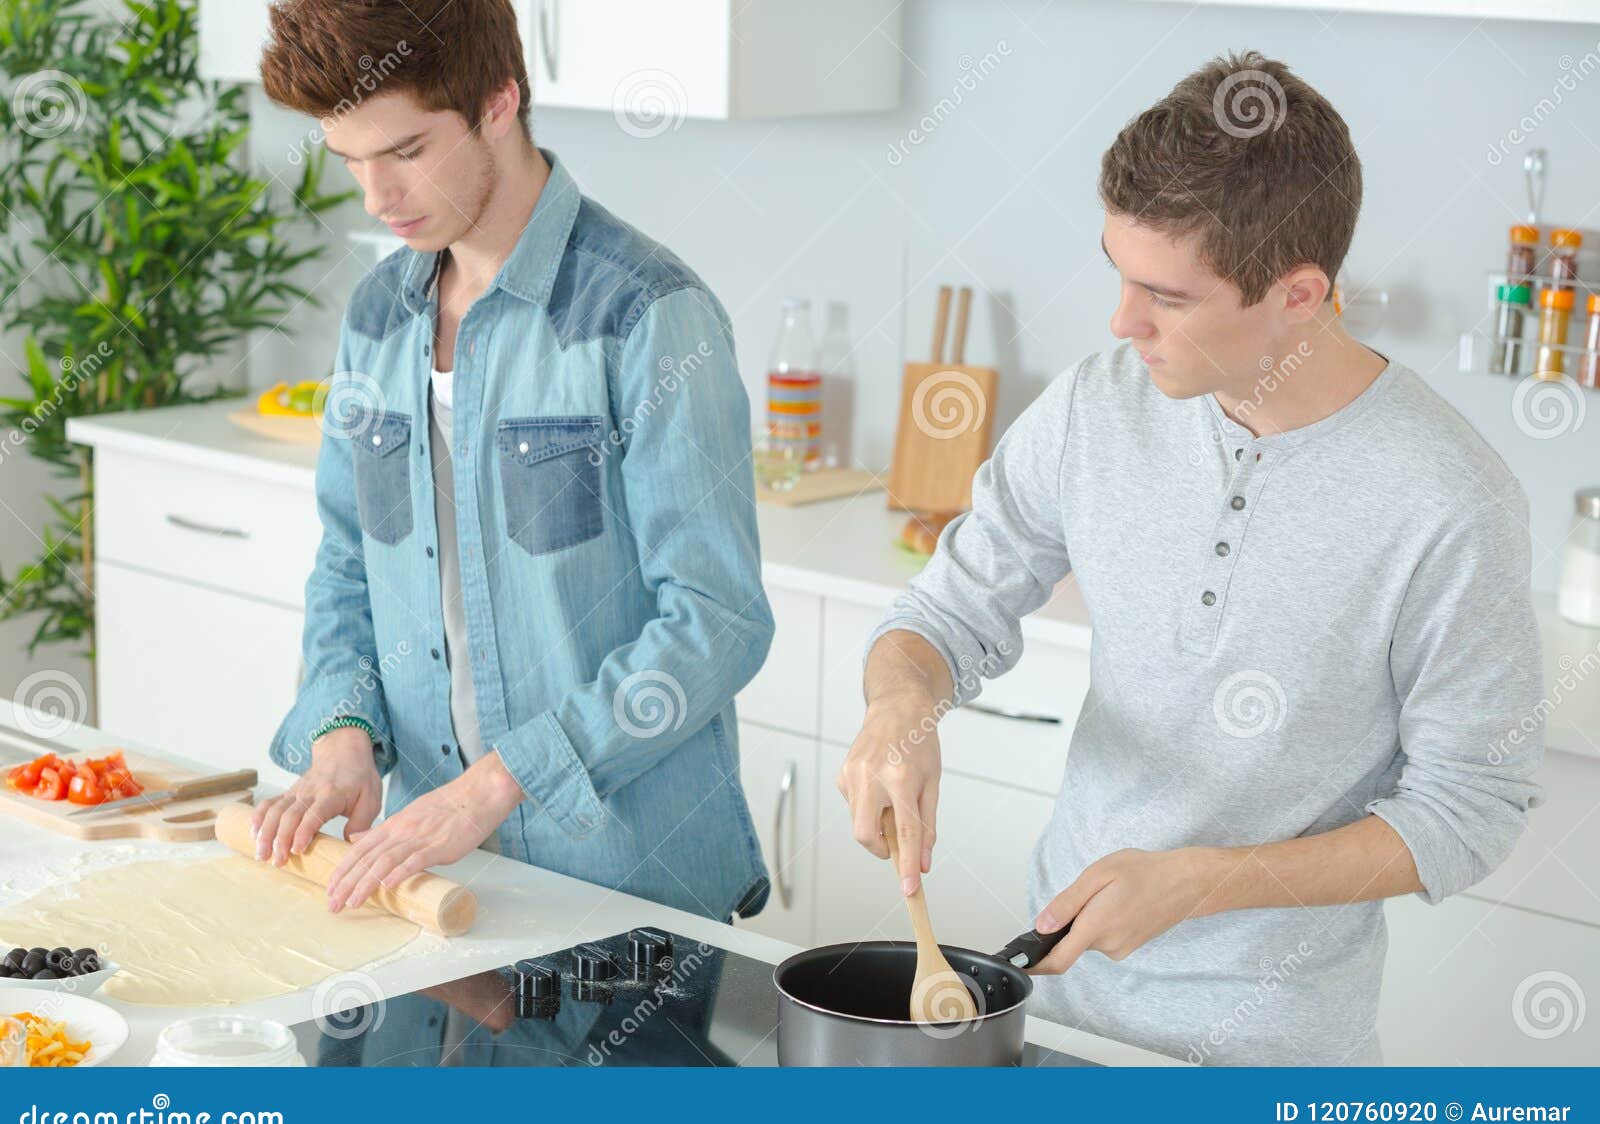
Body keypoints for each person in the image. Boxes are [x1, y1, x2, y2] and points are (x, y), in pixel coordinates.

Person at [838, 51, 1545, 1064]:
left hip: (1269, 1051)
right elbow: (943, 615)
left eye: (1165, 296)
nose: (1122, 322)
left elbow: (1467, 807)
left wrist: (1199, 880)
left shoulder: (1448, 499)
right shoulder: (1097, 404)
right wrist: (900, 703)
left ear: (1298, 296)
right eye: (1118, 274)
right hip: (1057, 1007)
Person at [251, 0, 774, 924]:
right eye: (352, 162)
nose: (377, 197)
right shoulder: (379, 313)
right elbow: (348, 562)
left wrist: (499, 783)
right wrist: (341, 729)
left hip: (624, 888)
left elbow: (717, 618)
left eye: (407, 152)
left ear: (500, 102)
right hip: (429, 877)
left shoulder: (646, 315)